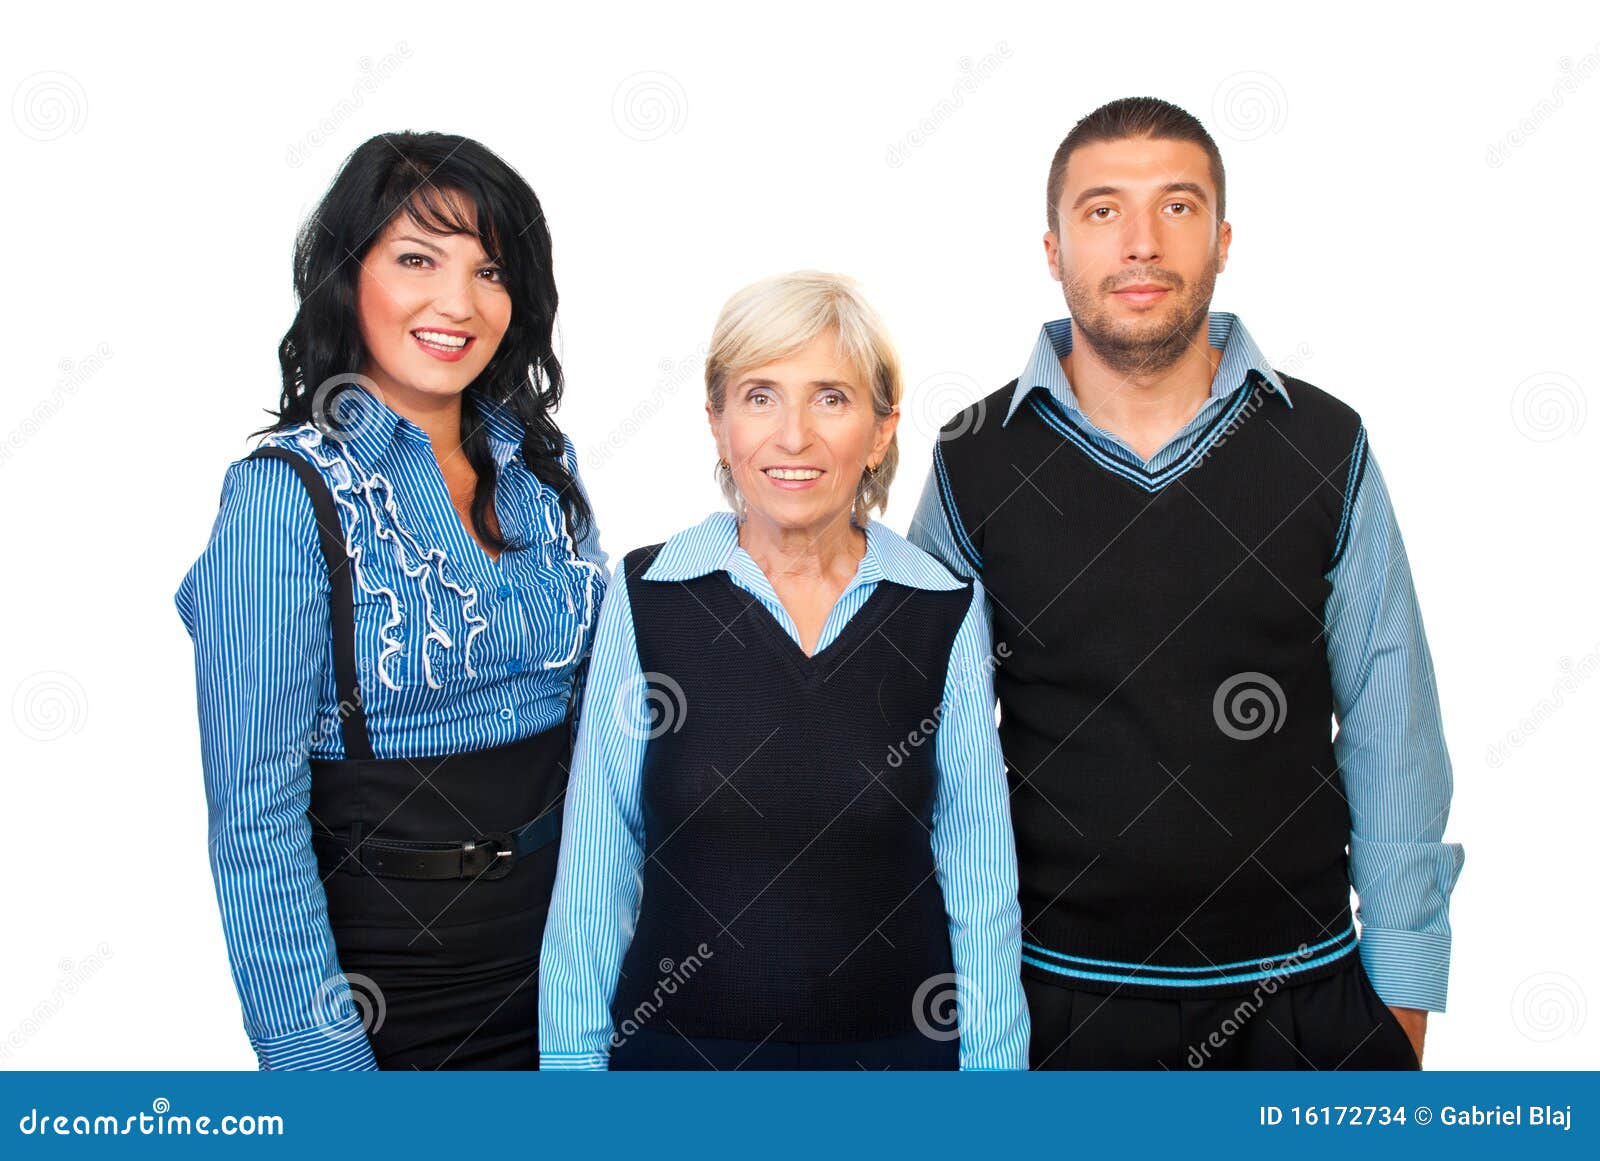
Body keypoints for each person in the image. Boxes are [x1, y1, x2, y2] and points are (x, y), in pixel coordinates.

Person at [910, 97, 1464, 1070]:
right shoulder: (974, 459)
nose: (1139, 242)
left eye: (1176, 206)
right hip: (1049, 1013)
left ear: (1222, 238)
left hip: (1306, 1006)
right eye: (1101, 211)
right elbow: (923, 754)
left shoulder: (1323, 445)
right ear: (1052, 248)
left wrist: (1401, 1008)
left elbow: (1392, 726)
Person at [175, 132, 606, 1070]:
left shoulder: (540, 465)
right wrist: (324, 1072)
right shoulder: (284, 499)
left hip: (577, 967)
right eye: (417, 259)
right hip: (398, 997)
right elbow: (254, 818)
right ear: (348, 275)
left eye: (490, 270)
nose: (458, 303)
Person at [538, 271, 1028, 1070]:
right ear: (718, 423)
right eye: (760, 395)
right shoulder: (647, 596)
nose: (792, 435)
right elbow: (596, 872)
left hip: (898, 1072)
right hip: (675, 1070)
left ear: (880, 431)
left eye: (830, 397)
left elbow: (981, 890)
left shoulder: (941, 608)